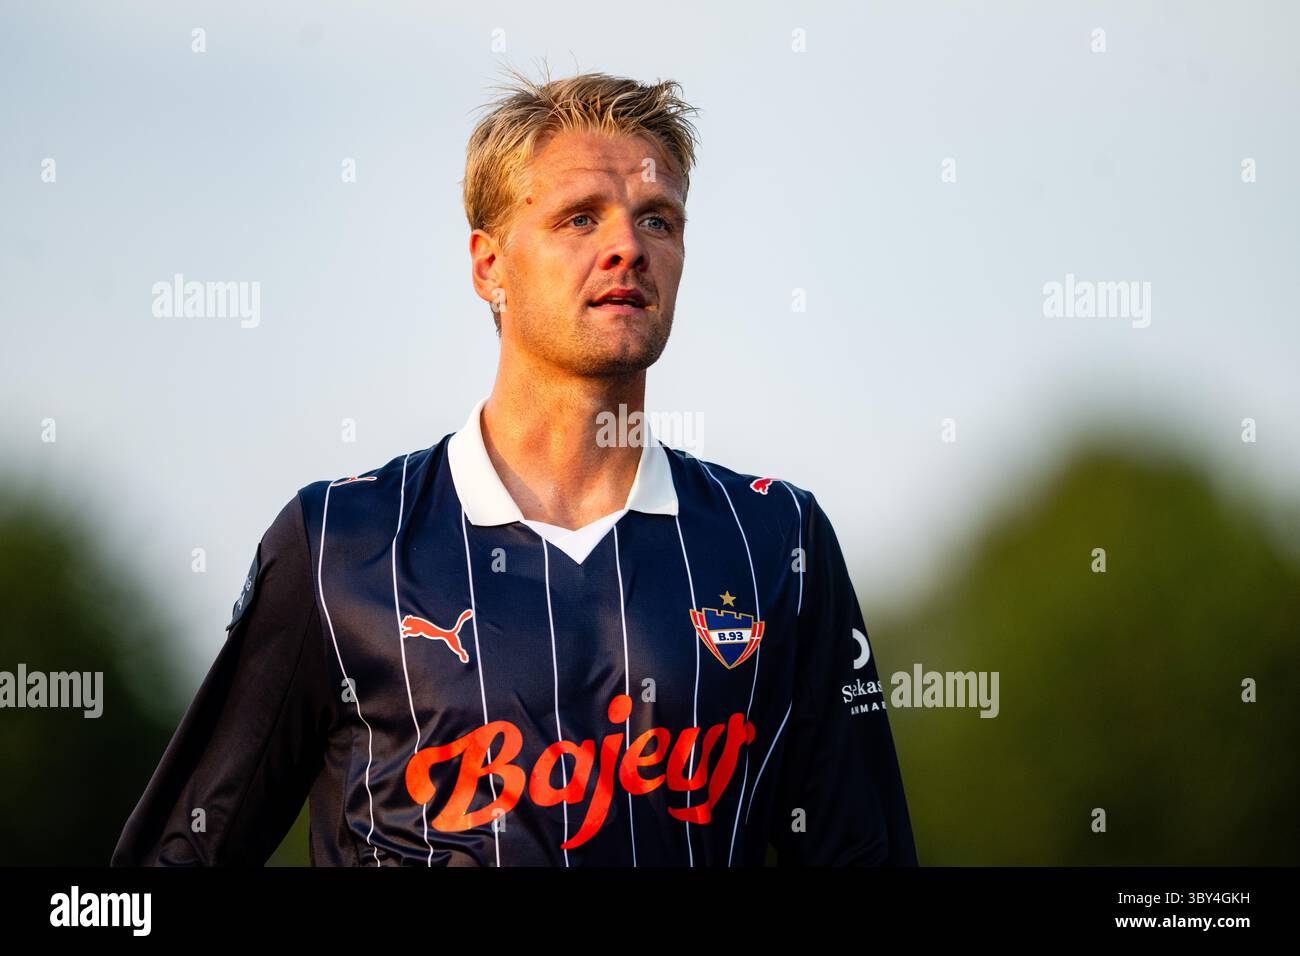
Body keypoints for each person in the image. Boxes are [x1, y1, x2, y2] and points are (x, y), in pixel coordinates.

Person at [111, 67, 918, 867]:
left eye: (658, 221)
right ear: (488, 266)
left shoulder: (778, 542)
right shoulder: (338, 545)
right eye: (579, 219)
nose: (627, 248)